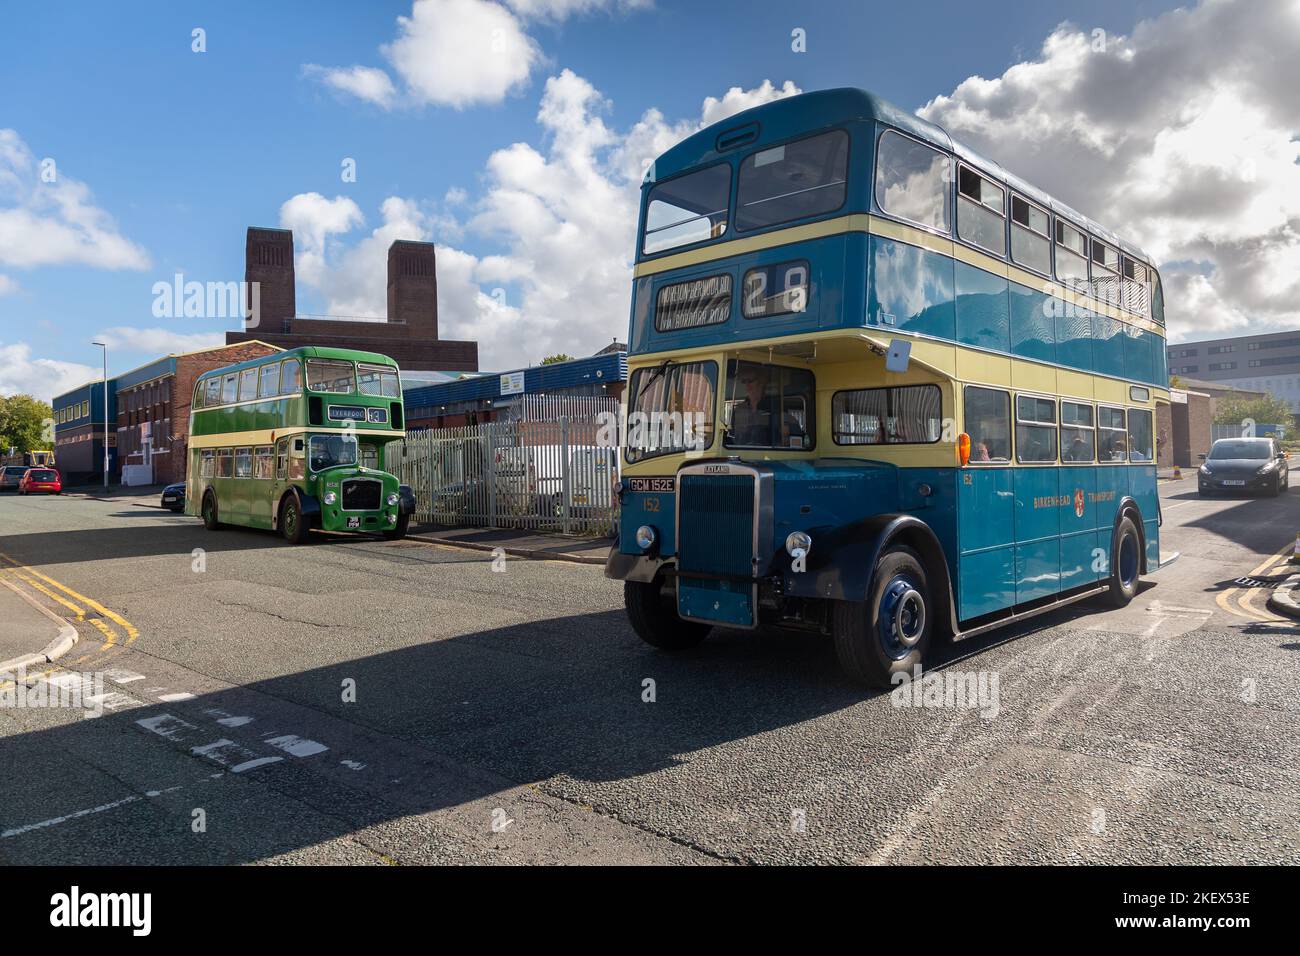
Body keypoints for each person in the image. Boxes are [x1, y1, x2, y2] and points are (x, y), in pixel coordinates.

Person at [728, 365, 804, 447]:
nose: (747, 385)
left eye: (750, 381)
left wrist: (786, 436)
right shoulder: (739, 410)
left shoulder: (775, 407)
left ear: (761, 382)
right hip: (741, 455)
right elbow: (732, 438)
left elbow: (793, 437)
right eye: (744, 381)